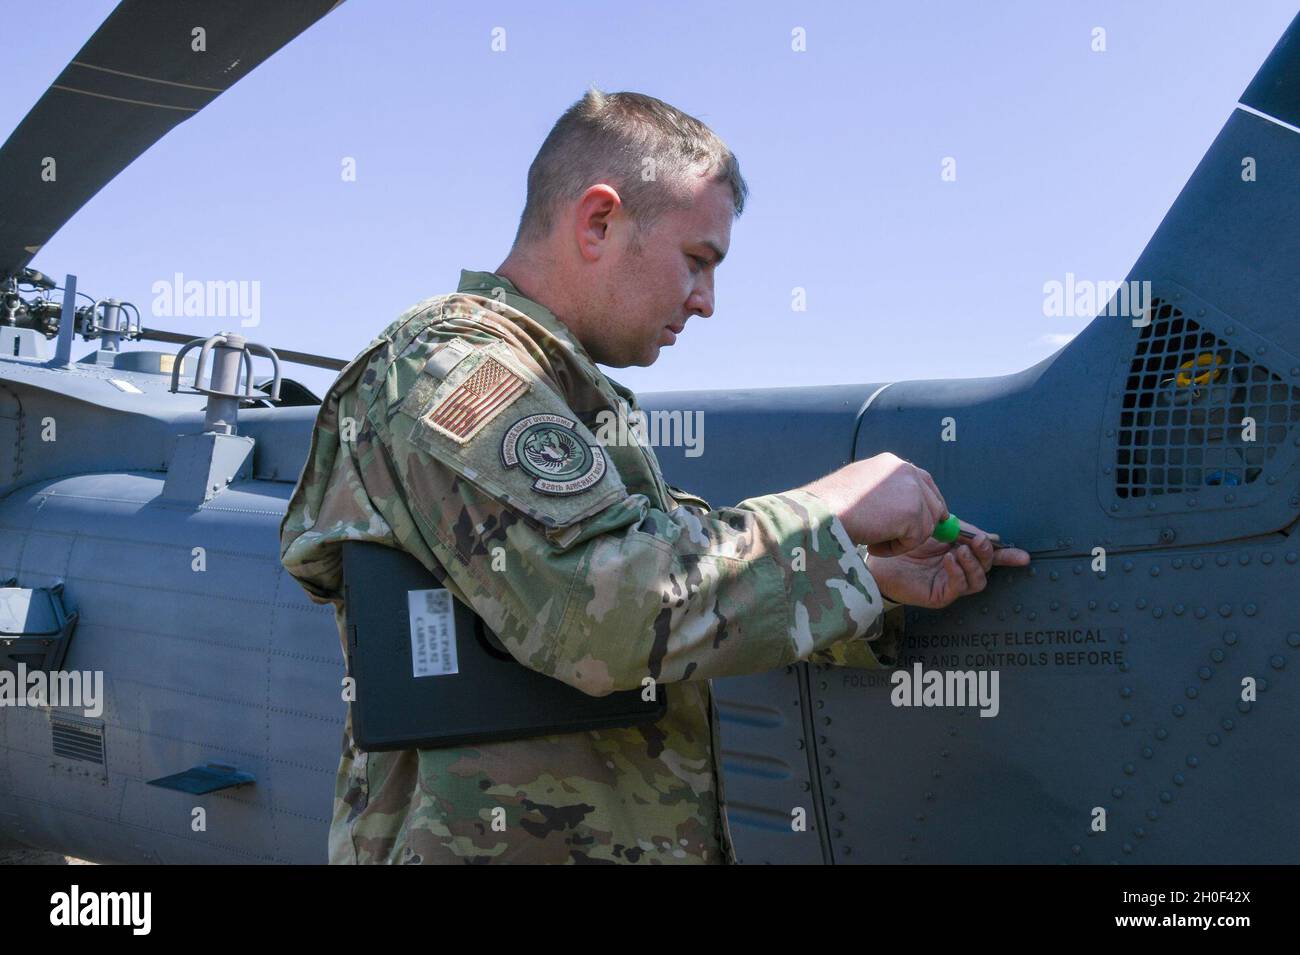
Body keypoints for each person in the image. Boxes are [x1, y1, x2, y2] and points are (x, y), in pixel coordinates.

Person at [279, 87, 1029, 864]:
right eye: (697, 261)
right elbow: (612, 612)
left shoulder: (560, 391)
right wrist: (833, 508)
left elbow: (667, 584)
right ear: (599, 221)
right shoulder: (450, 371)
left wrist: (865, 576)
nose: (705, 302)